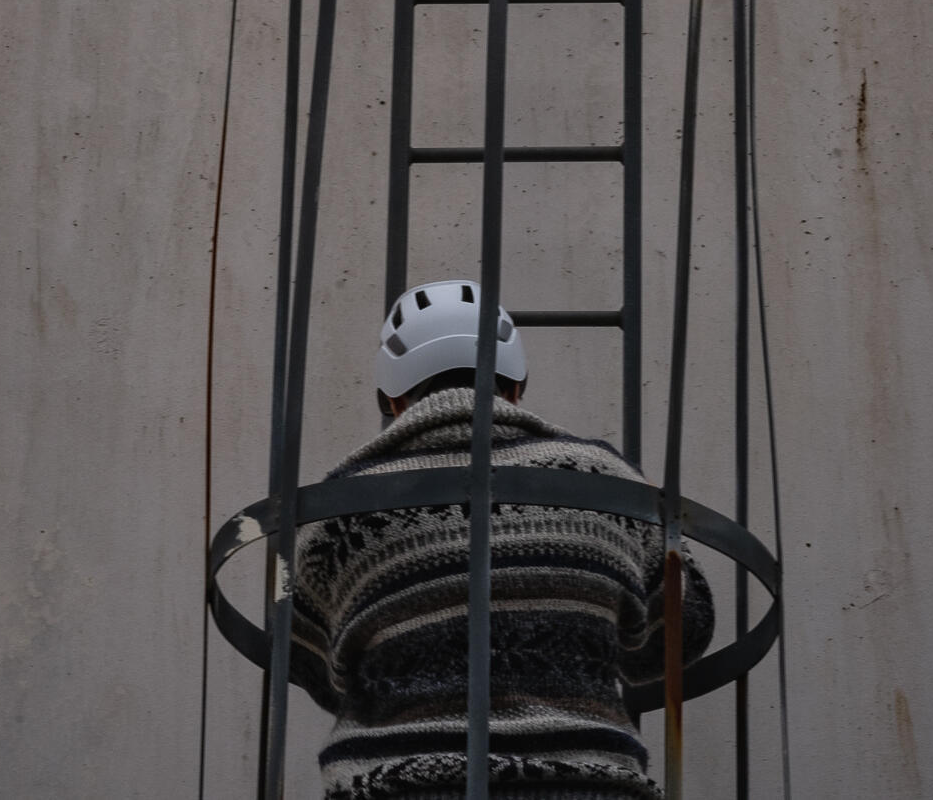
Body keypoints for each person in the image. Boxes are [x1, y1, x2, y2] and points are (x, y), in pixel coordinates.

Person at [289, 277, 714, 798]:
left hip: (401, 788)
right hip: (585, 787)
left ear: (393, 398)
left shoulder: (340, 516)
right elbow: (682, 633)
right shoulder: (605, 484)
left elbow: (312, 666)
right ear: (514, 389)